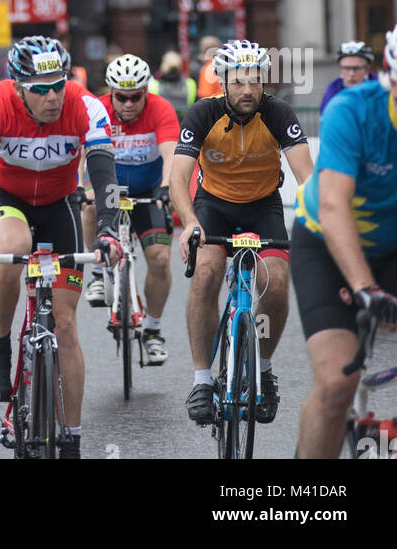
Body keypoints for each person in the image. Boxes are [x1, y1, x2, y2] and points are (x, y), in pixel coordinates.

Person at [0, 35, 122, 460]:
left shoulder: (86, 106)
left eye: (59, 85)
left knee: (66, 327)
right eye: (40, 89)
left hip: (60, 204)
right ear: (17, 86)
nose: (53, 97)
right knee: (13, 245)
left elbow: (105, 179)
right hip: (7, 198)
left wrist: (107, 230)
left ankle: (71, 437)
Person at [170, 38, 313, 427]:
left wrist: (318, 224)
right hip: (212, 209)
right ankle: (201, 379)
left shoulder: (279, 113)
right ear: (222, 81)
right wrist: (191, 225)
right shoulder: (203, 114)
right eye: (238, 81)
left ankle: (263, 370)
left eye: (254, 80)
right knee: (205, 275)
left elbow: (307, 178)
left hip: (262, 208)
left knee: (278, 282)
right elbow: (179, 179)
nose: (248, 89)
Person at [292, 25, 397, 458]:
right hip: (327, 241)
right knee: (337, 383)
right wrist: (365, 289)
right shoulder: (351, 110)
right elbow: (334, 207)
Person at [81, 53, 179, 366]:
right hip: (108, 189)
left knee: (160, 260)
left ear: (146, 90)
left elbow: (171, 154)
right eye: (120, 97)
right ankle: (97, 271)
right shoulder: (98, 110)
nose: (127, 104)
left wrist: (167, 188)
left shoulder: (160, 109)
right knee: (89, 207)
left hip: (147, 191)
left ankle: (152, 331)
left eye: (135, 96)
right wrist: (83, 186)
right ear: (110, 91)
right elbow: (81, 155)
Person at [319, 41, 377, 119]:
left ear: (367, 68)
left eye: (356, 68)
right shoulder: (333, 89)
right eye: (346, 68)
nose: (351, 74)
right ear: (340, 68)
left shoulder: (379, 87)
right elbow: (326, 117)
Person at [150, 50, 197, 115]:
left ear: (163, 65)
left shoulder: (153, 85)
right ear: (180, 66)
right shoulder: (190, 83)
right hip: (184, 122)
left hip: (163, 122)